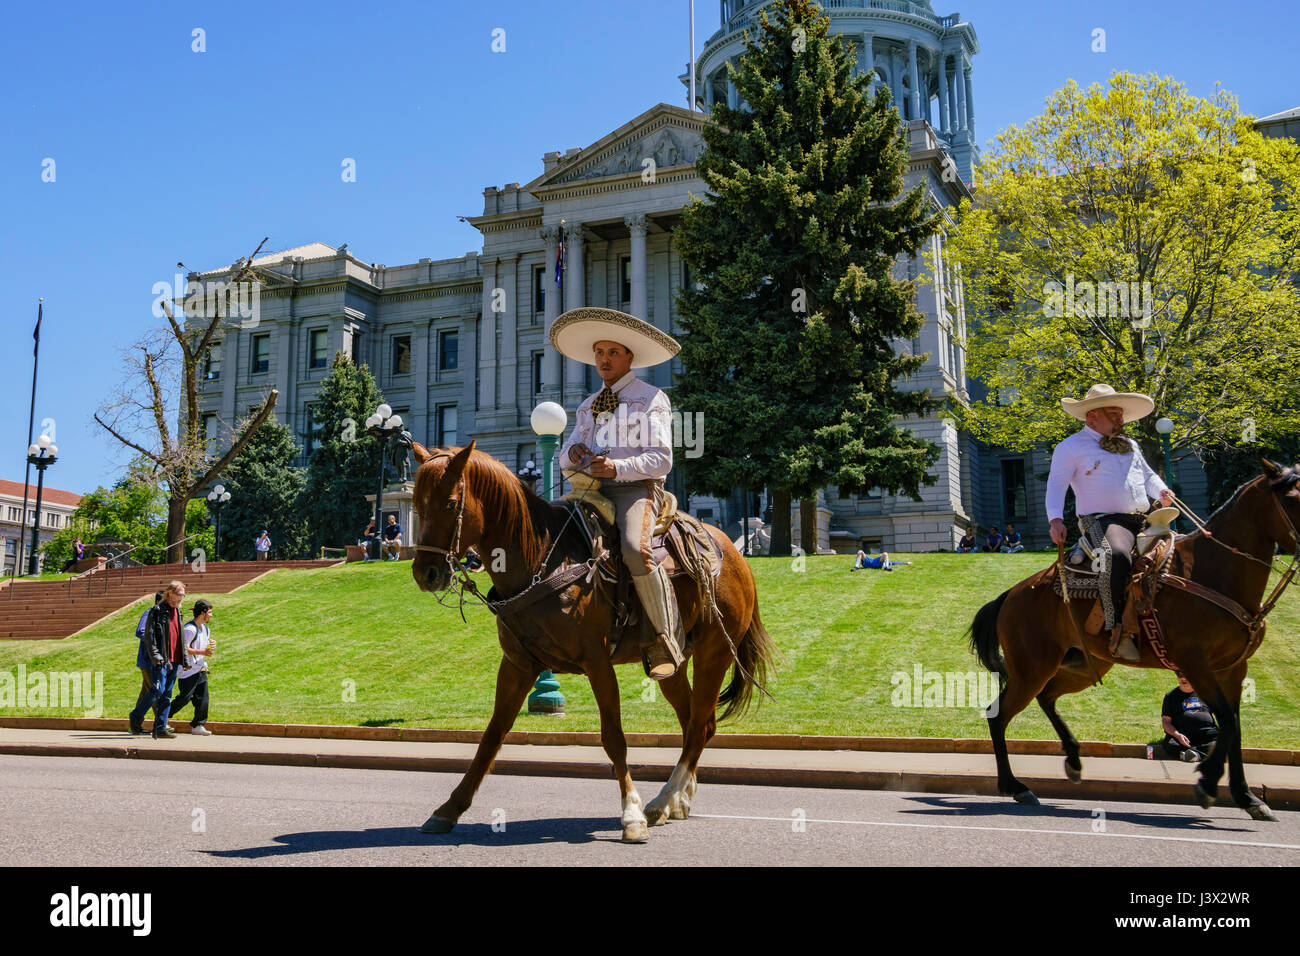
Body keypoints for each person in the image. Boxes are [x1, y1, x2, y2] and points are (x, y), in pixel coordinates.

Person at [553, 306, 684, 680]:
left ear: (629, 357)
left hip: (636, 489)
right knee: (550, 532)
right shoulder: (586, 405)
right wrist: (573, 454)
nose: (604, 360)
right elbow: (567, 453)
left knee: (633, 548)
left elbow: (661, 460)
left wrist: (617, 468)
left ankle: (665, 637)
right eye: (599, 353)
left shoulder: (651, 398)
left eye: (613, 353)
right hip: (589, 489)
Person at [1046, 383, 1174, 661]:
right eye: (1113, 414)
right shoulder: (1070, 448)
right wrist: (1055, 519)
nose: (1121, 419)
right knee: (1115, 555)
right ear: (1092, 416)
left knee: (1182, 553)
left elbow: (1149, 476)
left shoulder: (1131, 445)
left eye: (1121, 414)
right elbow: (1056, 485)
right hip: (1101, 521)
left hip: (1143, 519)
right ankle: (1117, 630)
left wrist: (1162, 491)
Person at [128, 580, 188, 738]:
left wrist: (185, 659)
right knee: (157, 691)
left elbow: (180, 638)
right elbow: (149, 636)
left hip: (174, 660)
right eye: (179, 594)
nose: (182, 597)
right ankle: (136, 717)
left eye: (183, 594)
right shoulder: (157, 611)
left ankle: (160, 727)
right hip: (162, 659)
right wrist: (156, 656)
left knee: (167, 694)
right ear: (170, 594)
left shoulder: (178, 612)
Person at [169, 599, 215, 735]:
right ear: (202, 613)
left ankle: (198, 725)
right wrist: (202, 652)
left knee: (203, 699)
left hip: (200, 668)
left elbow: (202, 645)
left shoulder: (205, 629)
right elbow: (181, 648)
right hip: (188, 670)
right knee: (184, 698)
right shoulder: (189, 629)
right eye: (210, 612)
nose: (211, 615)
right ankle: (162, 716)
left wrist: (211, 644)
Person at [130, 589, 166, 735]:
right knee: (156, 691)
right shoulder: (150, 613)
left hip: (155, 661)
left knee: (146, 693)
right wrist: (155, 643)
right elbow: (141, 632)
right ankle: (160, 725)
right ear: (159, 601)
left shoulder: (163, 615)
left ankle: (135, 725)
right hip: (148, 660)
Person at [1161, 672, 1218, 761]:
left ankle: (1193, 755)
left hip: (1205, 733)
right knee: (1170, 744)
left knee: (1221, 740)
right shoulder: (1170, 696)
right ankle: (1199, 753)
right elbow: (1166, 721)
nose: (1183, 678)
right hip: (1183, 734)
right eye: (1180, 676)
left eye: (1187, 675)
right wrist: (1178, 735)